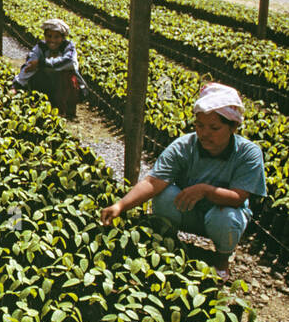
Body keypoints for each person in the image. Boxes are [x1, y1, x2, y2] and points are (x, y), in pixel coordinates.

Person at [101, 83, 266, 279]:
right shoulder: (184, 146)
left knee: (227, 217)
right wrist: (120, 206)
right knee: (163, 195)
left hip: (219, 215)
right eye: (199, 126)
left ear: (233, 127)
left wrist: (206, 190)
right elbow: (154, 182)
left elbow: (238, 198)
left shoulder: (248, 153)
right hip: (189, 209)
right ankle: (170, 245)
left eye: (214, 128)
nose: (204, 133)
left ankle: (222, 259)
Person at [12, 18, 85, 119]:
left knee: (67, 75)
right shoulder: (40, 47)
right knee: (36, 74)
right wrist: (16, 85)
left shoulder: (69, 47)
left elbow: (68, 62)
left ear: (63, 37)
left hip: (64, 87)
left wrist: (42, 63)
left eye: (56, 37)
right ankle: (42, 105)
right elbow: (29, 65)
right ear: (45, 36)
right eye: (49, 36)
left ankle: (66, 110)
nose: (52, 40)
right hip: (47, 84)